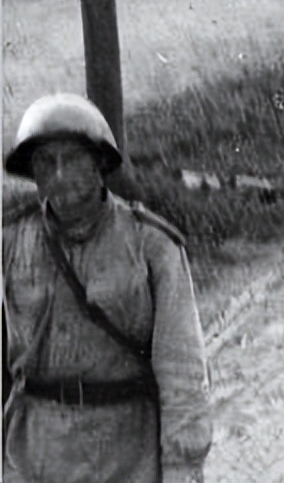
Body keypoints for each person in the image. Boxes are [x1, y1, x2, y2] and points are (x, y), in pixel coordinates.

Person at [3, 93, 213, 483]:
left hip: (125, 455)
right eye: (45, 162)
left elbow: (181, 369)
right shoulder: (10, 242)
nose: (59, 175)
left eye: (73, 159)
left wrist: (182, 467)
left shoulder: (151, 244)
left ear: (99, 163)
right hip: (35, 455)